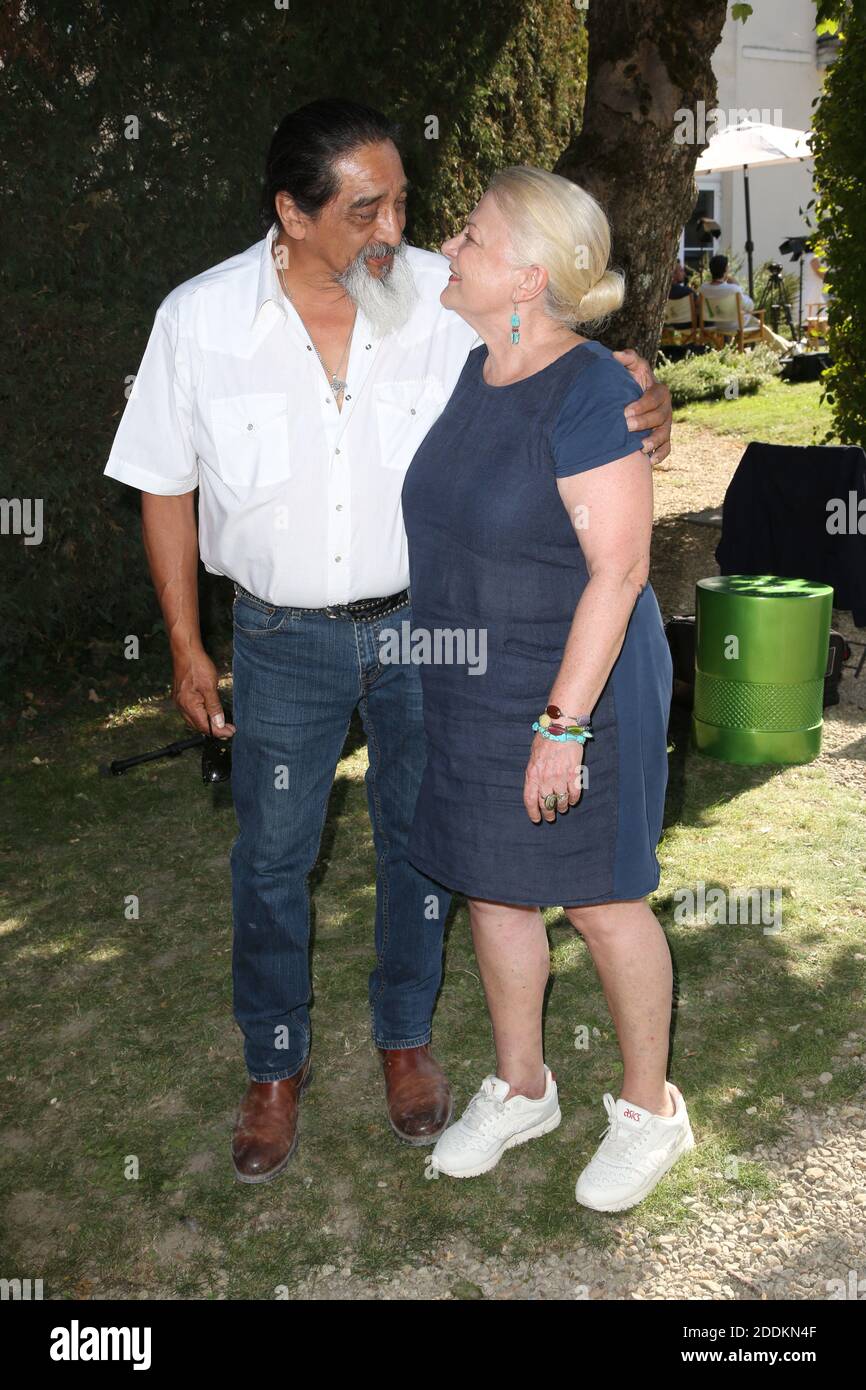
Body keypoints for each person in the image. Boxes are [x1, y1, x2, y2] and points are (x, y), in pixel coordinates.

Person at [102, 100, 673, 1187]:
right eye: (368, 208)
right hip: (280, 637)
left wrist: (646, 390)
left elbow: (561, 355)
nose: (398, 230)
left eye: (406, 202)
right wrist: (185, 643)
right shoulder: (198, 320)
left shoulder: (431, 295)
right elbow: (164, 484)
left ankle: (406, 1043)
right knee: (272, 857)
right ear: (291, 211)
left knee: (430, 847)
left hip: (431, 632)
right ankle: (274, 1065)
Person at [401, 165, 693, 1211]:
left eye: (470, 234)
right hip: (473, 687)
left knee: (602, 898)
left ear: (526, 275)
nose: (448, 244)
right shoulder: (475, 362)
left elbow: (616, 570)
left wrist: (560, 726)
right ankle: (522, 1084)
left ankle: (649, 1106)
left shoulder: (591, 389)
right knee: (492, 882)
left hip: (578, 685)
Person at [699, 253, 788, 350]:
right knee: (760, 326)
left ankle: (787, 345)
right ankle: (784, 349)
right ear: (725, 271)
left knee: (760, 326)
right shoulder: (733, 289)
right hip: (736, 326)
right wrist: (737, 285)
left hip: (718, 325)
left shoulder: (704, 288)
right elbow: (750, 307)